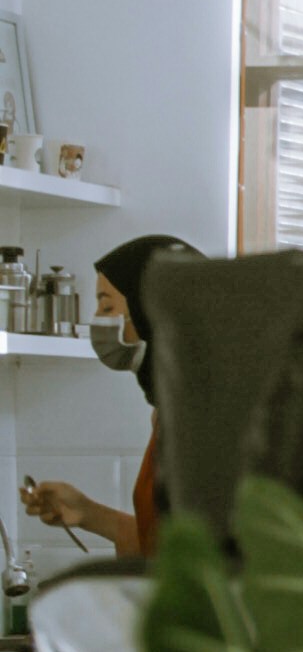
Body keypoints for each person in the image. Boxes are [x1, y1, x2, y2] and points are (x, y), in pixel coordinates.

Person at [20, 234, 201, 559]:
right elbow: (161, 544)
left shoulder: (201, 417)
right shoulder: (168, 413)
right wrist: (87, 512)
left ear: (150, 312)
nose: (98, 320)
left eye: (107, 306)